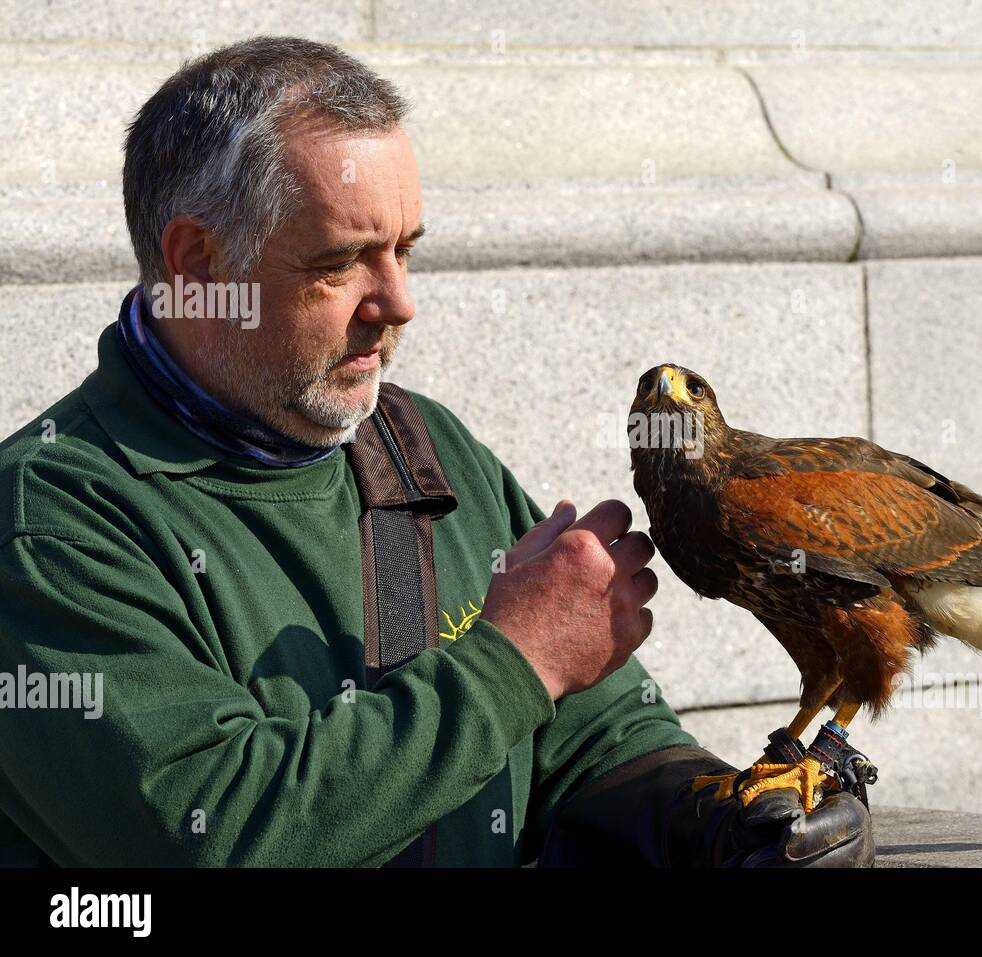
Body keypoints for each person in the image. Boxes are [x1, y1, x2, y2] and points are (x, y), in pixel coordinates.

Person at [0, 35, 870, 868]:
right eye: (342, 261)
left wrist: (719, 820)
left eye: (404, 250)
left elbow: (598, 737)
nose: (399, 301)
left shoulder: (420, 448)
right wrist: (512, 658)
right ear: (197, 263)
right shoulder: (52, 523)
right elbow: (211, 832)